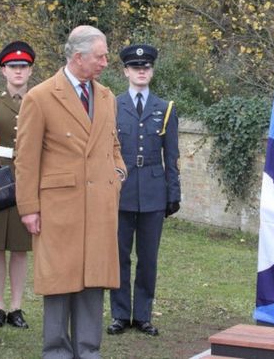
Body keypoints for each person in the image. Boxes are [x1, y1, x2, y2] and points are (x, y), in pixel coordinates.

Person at [15, 25, 126, 358]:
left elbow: (112, 143)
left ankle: (88, 352)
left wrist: (118, 172)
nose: (106, 62)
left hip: (100, 208)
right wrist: (28, 208)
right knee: (59, 285)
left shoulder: (106, 96)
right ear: (78, 57)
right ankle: (57, 353)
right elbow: (26, 159)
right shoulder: (41, 96)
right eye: (100, 55)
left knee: (94, 284)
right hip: (58, 209)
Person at [107, 44, 181, 336]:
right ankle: (120, 314)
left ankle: (143, 315)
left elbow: (172, 156)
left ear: (152, 71)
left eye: (146, 67)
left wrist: (173, 193)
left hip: (153, 190)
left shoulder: (165, 109)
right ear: (125, 71)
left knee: (148, 258)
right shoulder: (113, 105)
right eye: (135, 67)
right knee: (119, 256)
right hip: (121, 189)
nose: (141, 71)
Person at [0, 41, 35, 330]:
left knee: (19, 246)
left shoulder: (39, 99)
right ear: (3, 70)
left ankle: (17, 307)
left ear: (30, 70)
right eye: (13, 67)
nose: (18, 71)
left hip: (27, 178)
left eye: (23, 67)